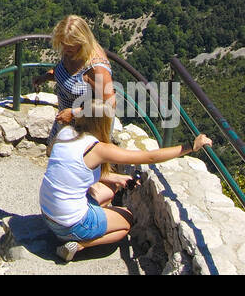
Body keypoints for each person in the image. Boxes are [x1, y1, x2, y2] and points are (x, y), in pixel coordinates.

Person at [39, 100, 213, 262]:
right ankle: (79, 245)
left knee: (108, 191)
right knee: (127, 220)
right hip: (68, 224)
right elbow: (150, 156)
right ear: (105, 123)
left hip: (48, 215)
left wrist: (117, 178)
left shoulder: (66, 133)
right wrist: (191, 146)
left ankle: (91, 224)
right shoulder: (98, 149)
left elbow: (74, 171)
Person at [31, 15, 115, 140]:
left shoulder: (96, 67)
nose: (65, 49)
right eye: (62, 43)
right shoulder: (71, 51)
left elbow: (109, 105)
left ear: (82, 41)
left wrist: (74, 113)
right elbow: (69, 75)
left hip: (87, 132)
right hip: (66, 123)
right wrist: (46, 77)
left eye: (69, 45)